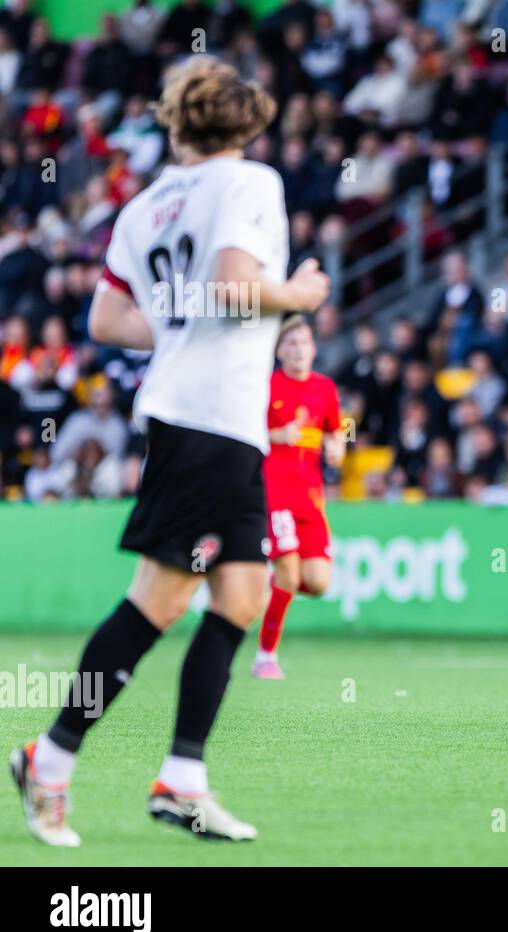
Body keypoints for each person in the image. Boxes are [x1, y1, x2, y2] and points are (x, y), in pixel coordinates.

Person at [9, 57, 329, 847]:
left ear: (177, 123)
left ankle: (182, 779)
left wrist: (181, 330)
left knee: (242, 593)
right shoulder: (249, 183)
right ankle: (48, 761)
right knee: (157, 600)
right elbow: (230, 284)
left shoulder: (145, 204)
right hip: (210, 420)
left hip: (199, 417)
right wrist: (298, 296)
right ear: (247, 122)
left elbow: (108, 320)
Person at [254, 316, 345, 679]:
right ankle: (265, 656)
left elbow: (334, 432)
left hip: (311, 495)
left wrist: (337, 448)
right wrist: (278, 434)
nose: (298, 349)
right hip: (276, 492)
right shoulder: (267, 385)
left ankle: (273, 583)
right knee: (290, 574)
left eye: (303, 342)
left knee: (319, 583)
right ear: (279, 351)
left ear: (314, 348)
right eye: (290, 343)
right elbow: (248, 431)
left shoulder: (324, 388)